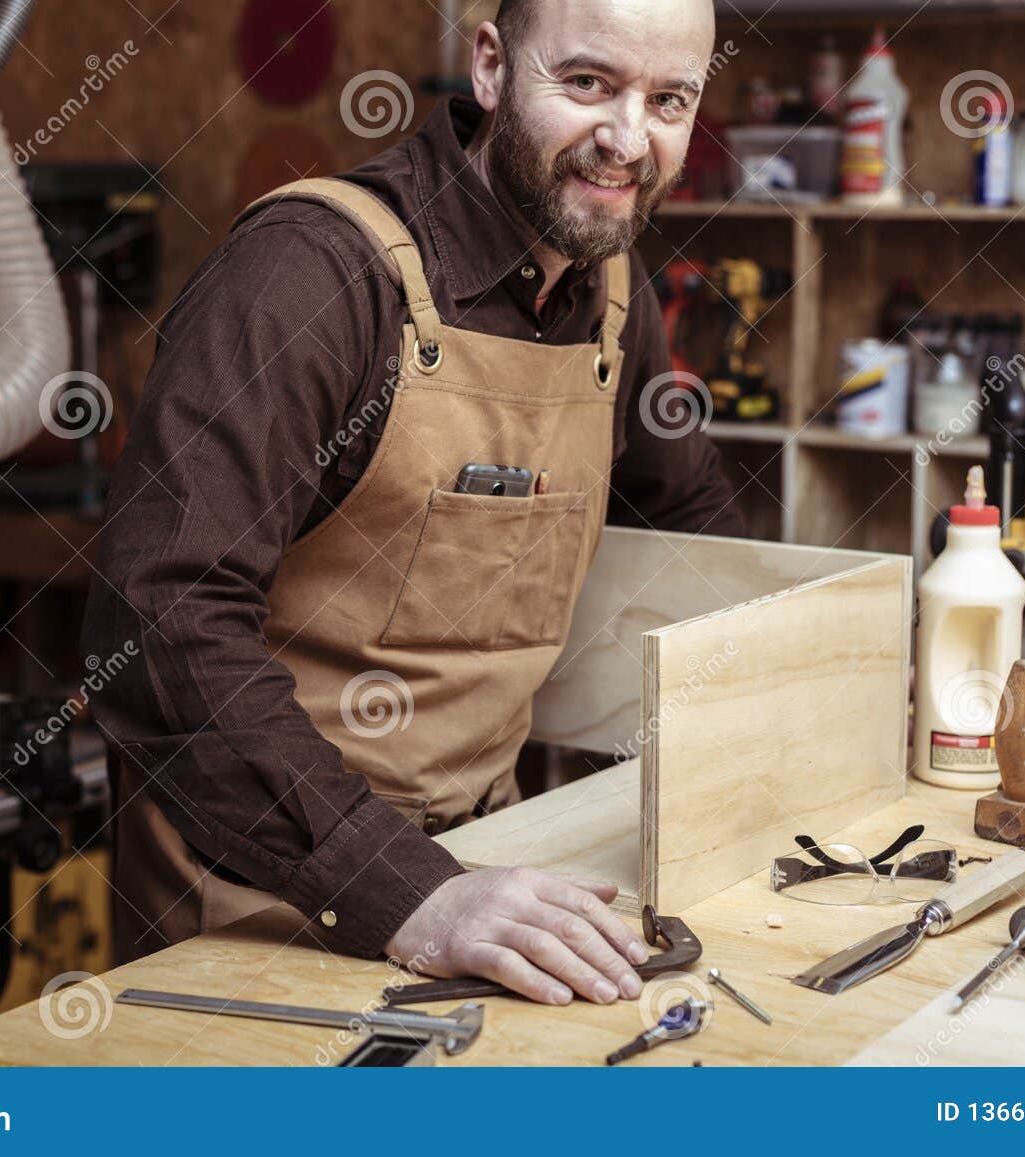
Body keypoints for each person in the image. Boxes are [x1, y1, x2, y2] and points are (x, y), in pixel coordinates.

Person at [82, 0, 742, 1006]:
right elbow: (156, 620)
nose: (626, 139)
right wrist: (408, 890)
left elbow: (691, 519)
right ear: (491, 66)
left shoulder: (612, 293)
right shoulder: (307, 274)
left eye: (668, 101)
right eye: (587, 83)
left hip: (490, 859)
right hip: (263, 886)